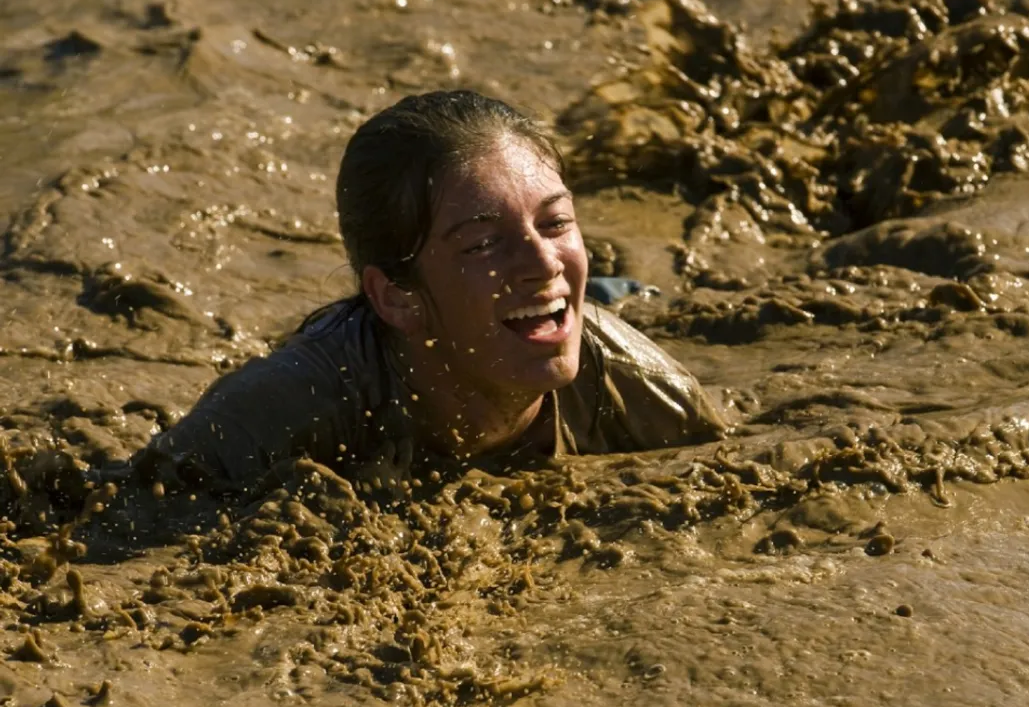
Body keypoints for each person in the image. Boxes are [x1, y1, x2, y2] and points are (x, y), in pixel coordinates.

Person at [130, 90, 728, 496]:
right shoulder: (281, 412)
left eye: (556, 223)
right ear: (395, 297)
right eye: (482, 244)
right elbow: (119, 516)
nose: (543, 261)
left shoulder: (646, 393)